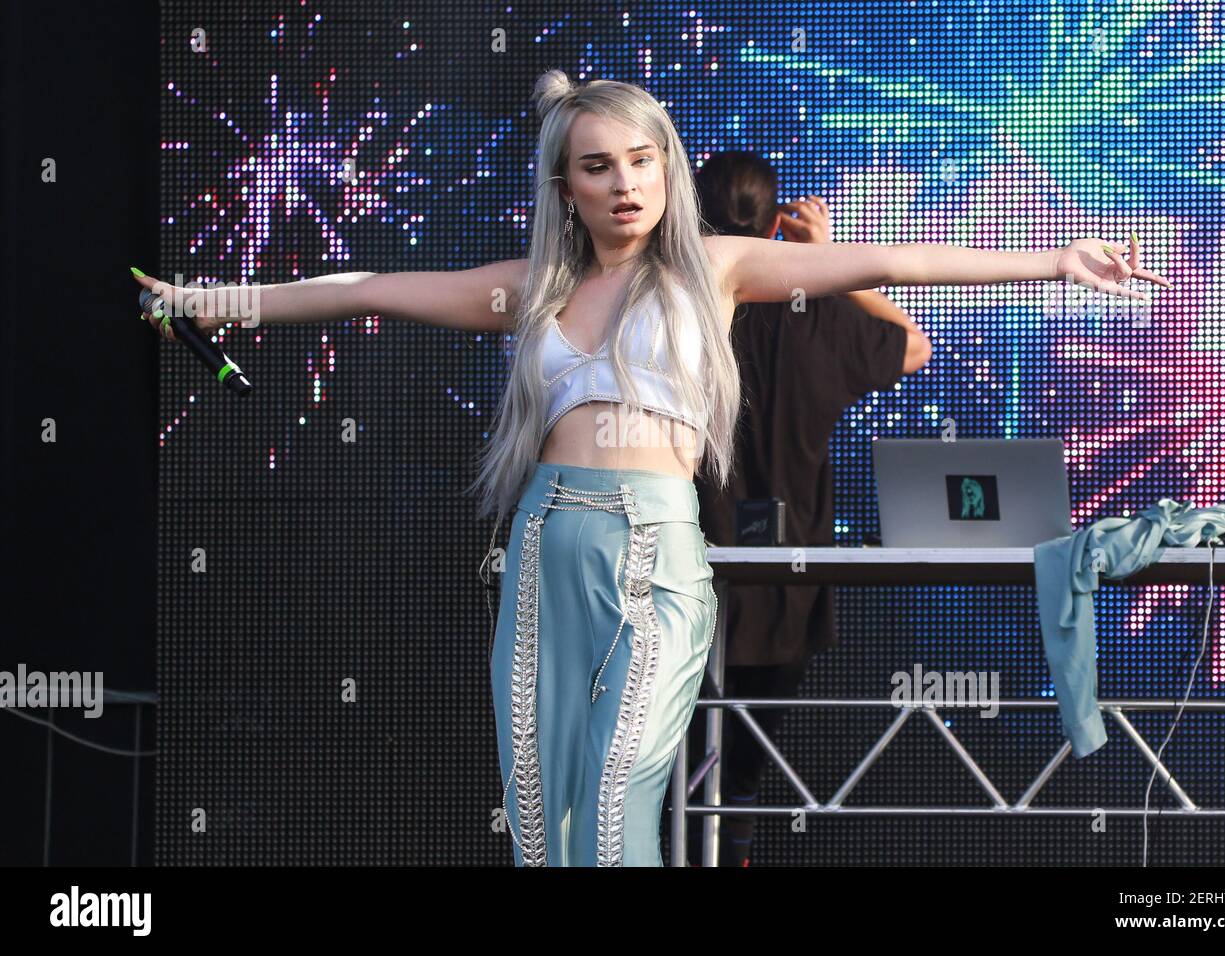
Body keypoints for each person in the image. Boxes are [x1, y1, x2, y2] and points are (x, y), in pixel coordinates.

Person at [132, 69, 1172, 867]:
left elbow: (889, 263)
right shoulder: (530, 287)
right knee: (539, 812)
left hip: (656, 549)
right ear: (565, 185)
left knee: (627, 780)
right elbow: (373, 287)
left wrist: (1054, 258)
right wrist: (215, 300)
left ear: (667, 169)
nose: (624, 183)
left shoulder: (719, 267)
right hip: (544, 541)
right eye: (597, 166)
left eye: (641, 160)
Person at [687, 153, 931, 866]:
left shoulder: (673, 310)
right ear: (776, 223)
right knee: (744, 763)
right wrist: (832, 260)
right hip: (786, 580)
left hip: (684, 572)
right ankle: (732, 839)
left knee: (669, 755)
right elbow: (914, 345)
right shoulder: (819, 312)